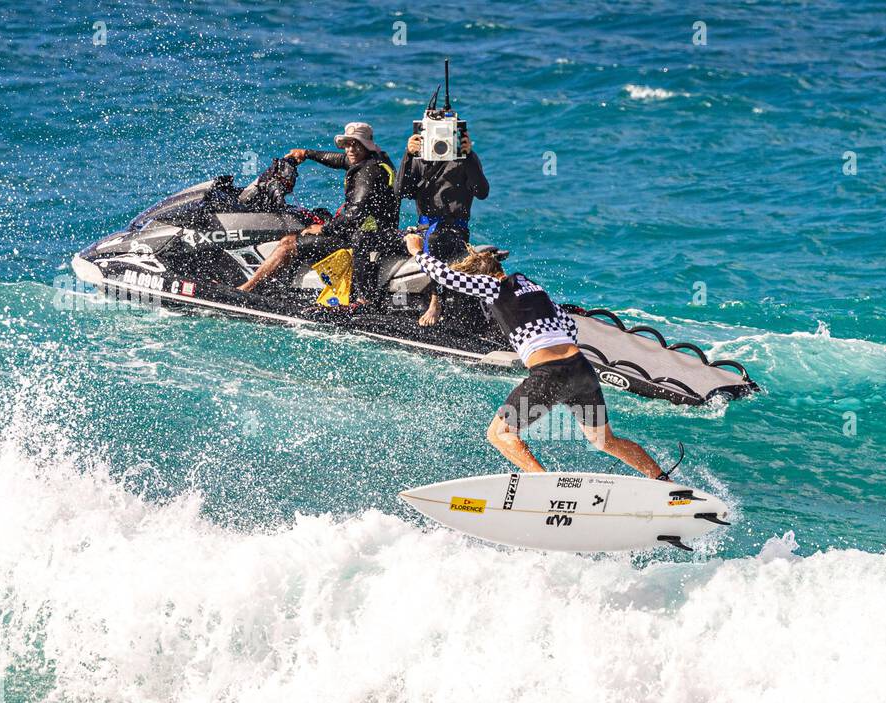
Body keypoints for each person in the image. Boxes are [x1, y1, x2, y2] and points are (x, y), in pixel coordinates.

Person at [404, 233, 665, 478]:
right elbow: (570, 326)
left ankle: (543, 484)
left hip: (549, 374)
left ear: (484, 277)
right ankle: (663, 481)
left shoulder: (494, 286)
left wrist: (417, 252)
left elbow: (445, 276)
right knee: (606, 441)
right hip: (581, 370)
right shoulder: (535, 289)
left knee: (499, 433)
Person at [239, 122, 398, 302]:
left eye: (356, 144)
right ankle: (283, 288)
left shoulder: (367, 173)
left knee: (288, 244)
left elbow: (354, 214)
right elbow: (339, 160)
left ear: (366, 145)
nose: (350, 149)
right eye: (347, 144)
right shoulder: (375, 160)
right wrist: (307, 154)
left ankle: (246, 290)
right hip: (370, 232)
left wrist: (324, 229)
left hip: (361, 238)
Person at [397, 128, 489, 326]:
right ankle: (366, 299)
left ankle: (435, 301)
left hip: (453, 230)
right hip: (421, 228)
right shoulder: (419, 158)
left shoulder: (464, 159)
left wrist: (468, 156)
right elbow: (401, 190)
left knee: (434, 240)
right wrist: (408, 155)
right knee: (373, 238)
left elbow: (481, 192)